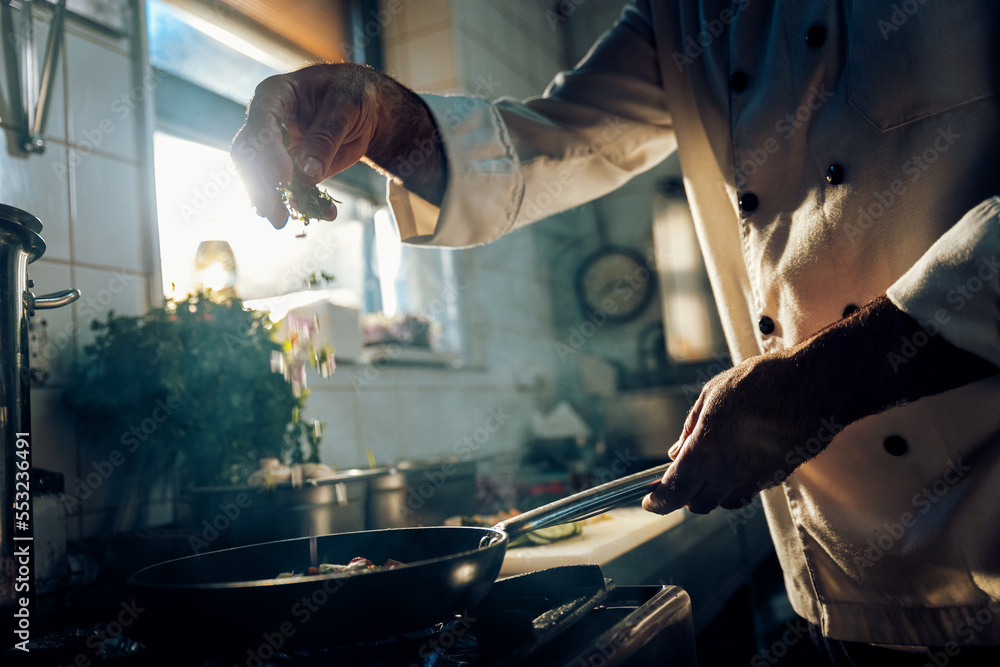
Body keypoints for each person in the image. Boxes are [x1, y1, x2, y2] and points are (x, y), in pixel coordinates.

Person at [232, 0, 1000, 663]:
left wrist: (822, 381)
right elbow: (557, 141)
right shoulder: (686, 12)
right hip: (848, 574)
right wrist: (382, 119)